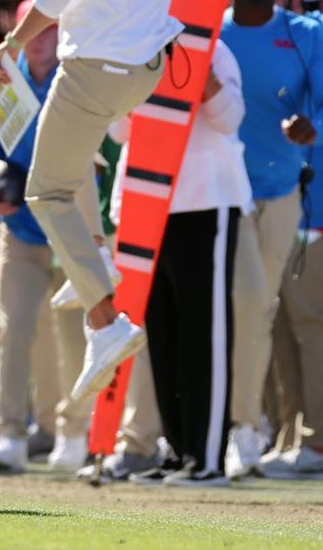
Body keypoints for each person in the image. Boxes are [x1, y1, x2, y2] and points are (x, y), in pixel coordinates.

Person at [0, 0, 182, 401]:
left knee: (44, 192)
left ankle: (105, 319)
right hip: (142, 66)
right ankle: (91, 262)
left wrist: (13, 42)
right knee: (71, 174)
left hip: (99, 64)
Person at [109, 40, 249, 487]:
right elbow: (118, 130)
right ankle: (177, 450)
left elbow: (230, 118)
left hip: (205, 201)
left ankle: (207, 458)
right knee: (163, 336)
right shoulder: (130, 42)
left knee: (203, 334)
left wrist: (195, 62)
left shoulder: (215, 48)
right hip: (146, 202)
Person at [0, 0, 91, 473]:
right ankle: (10, 435)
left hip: (71, 227)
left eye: (49, 29)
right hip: (18, 228)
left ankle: (74, 432)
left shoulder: (81, 81)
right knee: (14, 330)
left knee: (72, 335)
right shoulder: (6, 80)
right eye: (32, 30)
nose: (40, 39)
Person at [220, 0, 323, 477]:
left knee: (257, 309)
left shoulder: (305, 33)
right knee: (241, 309)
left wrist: (313, 127)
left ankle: (245, 428)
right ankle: (236, 425)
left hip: (283, 192)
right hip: (219, 193)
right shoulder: (210, 31)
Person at [261, 0, 323, 478]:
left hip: (315, 206)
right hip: (285, 199)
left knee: (309, 323)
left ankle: (317, 439)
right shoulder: (287, 29)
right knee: (278, 323)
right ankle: (288, 431)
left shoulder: (315, 30)